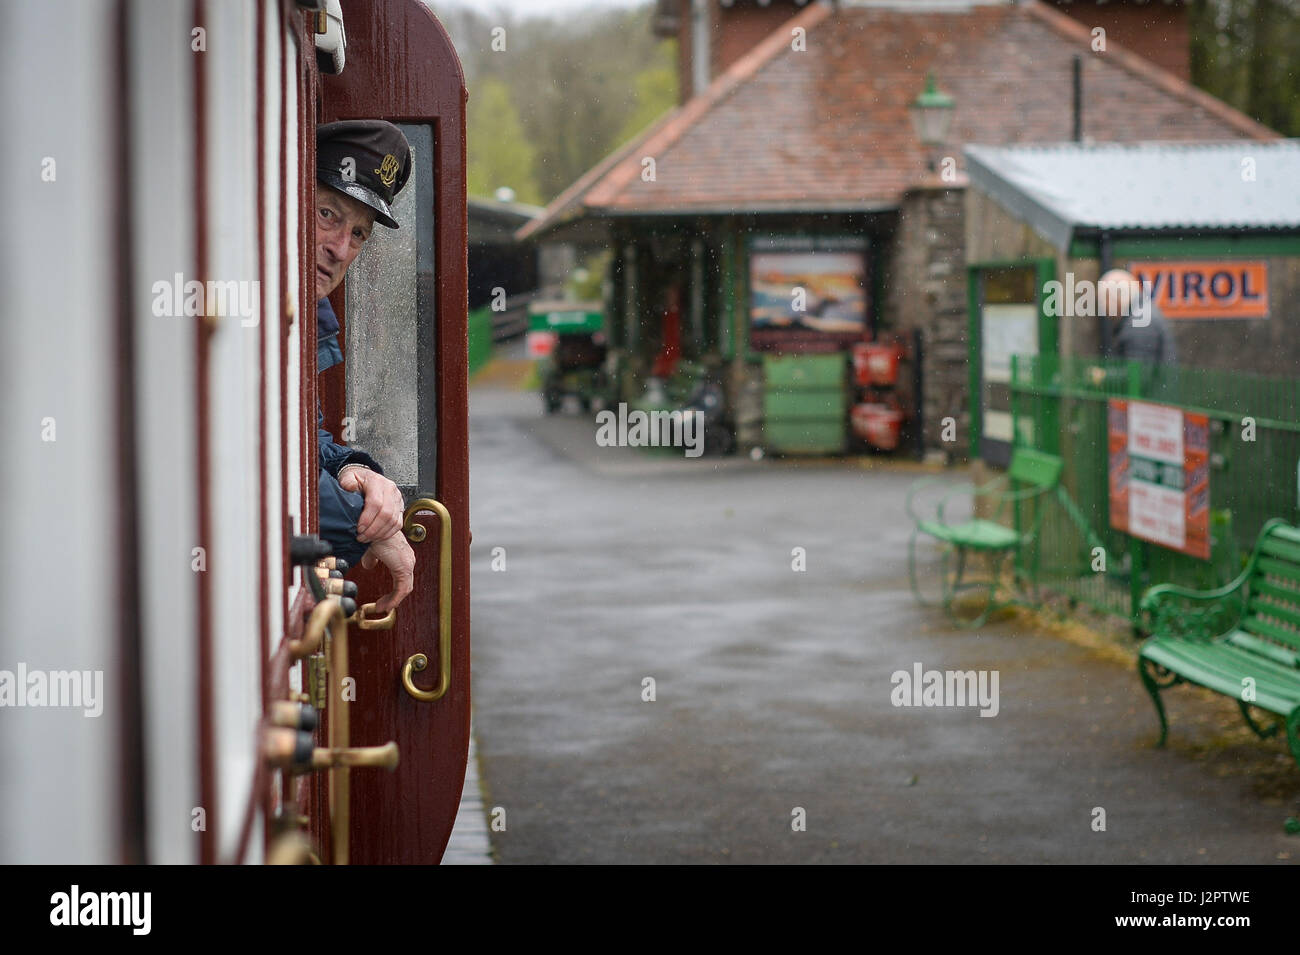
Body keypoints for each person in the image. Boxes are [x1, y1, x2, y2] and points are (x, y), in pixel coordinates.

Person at [314, 120, 415, 613]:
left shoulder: (302, 319)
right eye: (328, 213)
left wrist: (359, 472)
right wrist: (370, 522)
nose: (339, 248)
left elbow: (304, 446)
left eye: (357, 234)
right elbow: (257, 480)